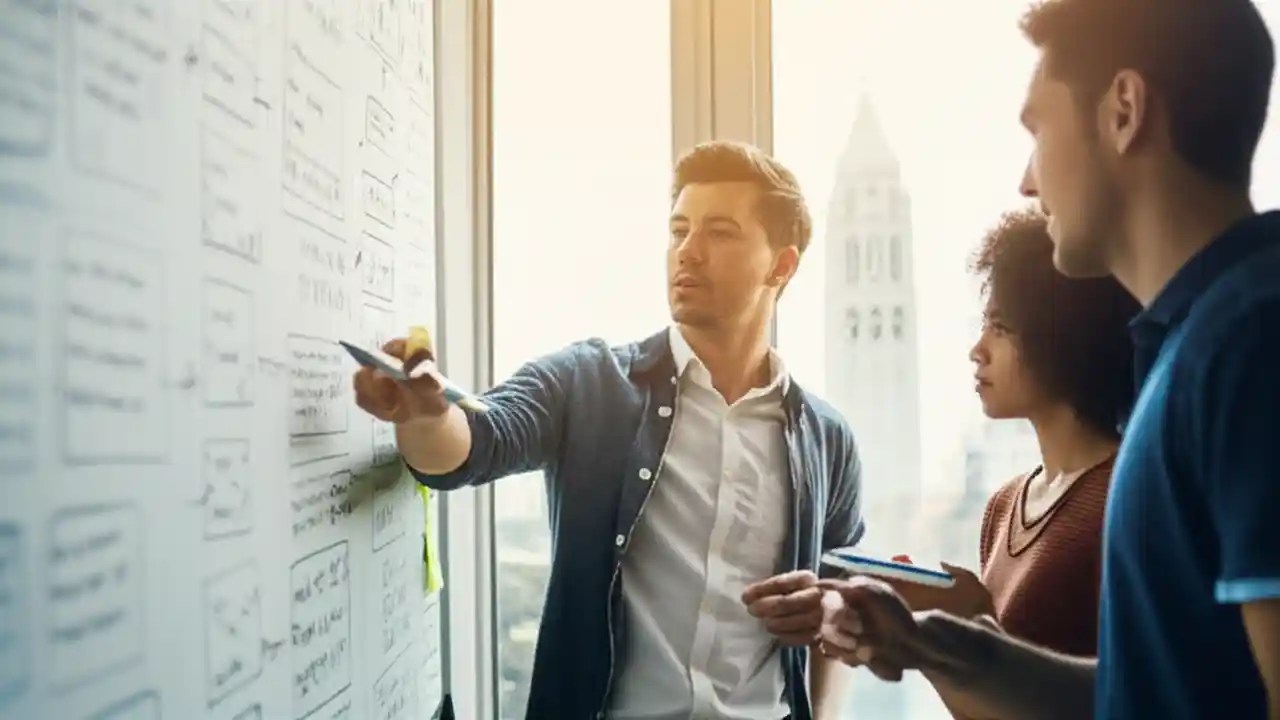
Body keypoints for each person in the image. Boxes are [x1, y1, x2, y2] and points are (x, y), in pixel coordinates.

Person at [817, 1, 1280, 719]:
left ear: (1123, 111)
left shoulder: (1251, 343)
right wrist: (933, 644)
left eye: (1037, 131)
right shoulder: (1187, 350)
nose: (1027, 182)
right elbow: (1145, 698)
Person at [353, 140, 863, 720]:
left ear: (781, 265)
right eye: (679, 230)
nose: (688, 251)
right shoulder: (589, 381)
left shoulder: (827, 439)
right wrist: (423, 413)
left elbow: (842, 602)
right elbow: (473, 443)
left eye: (719, 233)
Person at [889, 208, 1137, 656]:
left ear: (1061, 334)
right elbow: (986, 694)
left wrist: (970, 622)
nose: (977, 350)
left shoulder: (1124, 500)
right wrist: (913, 634)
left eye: (1000, 328)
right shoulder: (1004, 506)